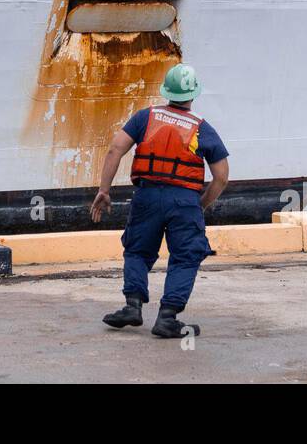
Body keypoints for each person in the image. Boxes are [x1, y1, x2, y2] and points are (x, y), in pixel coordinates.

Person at [92, 64, 230, 339]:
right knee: (185, 257)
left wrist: (104, 190)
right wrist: (200, 205)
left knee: (137, 251)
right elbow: (221, 177)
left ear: (166, 91)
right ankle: (167, 318)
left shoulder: (146, 117)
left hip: (147, 196)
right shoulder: (202, 128)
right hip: (185, 201)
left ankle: (132, 307)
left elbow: (115, 149)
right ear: (193, 94)